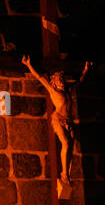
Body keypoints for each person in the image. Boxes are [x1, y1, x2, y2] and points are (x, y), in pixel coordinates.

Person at [21, 55, 91, 183]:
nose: (62, 82)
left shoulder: (68, 91)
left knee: (70, 148)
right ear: (54, 82)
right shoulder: (53, 90)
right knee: (65, 143)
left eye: (62, 79)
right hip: (58, 119)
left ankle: (67, 174)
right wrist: (28, 65)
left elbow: (80, 81)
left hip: (69, 121)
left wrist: (86, 70)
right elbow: (39, 77)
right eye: (59, 80)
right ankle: (64, 174)